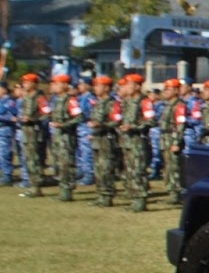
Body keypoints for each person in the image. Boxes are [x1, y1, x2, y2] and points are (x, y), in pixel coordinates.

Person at [47, 73, 82, 201]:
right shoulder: (57, 99)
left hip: (66, 137)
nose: (54, 86)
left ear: (65, 85)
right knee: (58, 163)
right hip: (57, 136)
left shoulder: (71, 100)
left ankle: (67, 191)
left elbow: (79, 117)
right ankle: (62, 189)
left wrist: (64, 125)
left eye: (57, 84)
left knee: (66, 164)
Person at [118, 74, 150, 211]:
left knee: (138, 171)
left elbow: (150, 121)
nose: (126, 87)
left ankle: (140, 200)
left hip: (138, 141)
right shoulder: (127, 102)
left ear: (137, 86)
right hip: (127, 141)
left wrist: (134, 127)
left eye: (128, 85)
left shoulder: (144, 102)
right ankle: (134, 197)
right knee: (130, 170)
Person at [88, 75, 120, 207]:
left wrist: (101, 125)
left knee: (106, 168)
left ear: (106, 88)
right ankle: (101, 194)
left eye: (98, 86)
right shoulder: (98, 102)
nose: (95, 88)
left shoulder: (112, 103)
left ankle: (107, 196)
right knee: (98, 169)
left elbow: (116, 121)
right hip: (97, 139)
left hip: (107, 139)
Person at [18, 74, 47, 196]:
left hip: (34, 132)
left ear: (33, 84)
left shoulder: (39, 97)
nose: (24, 85)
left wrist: (33, 119)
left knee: (34, 159)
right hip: (26, 132)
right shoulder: (27, 97)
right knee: (28, 159)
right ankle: (32, 185)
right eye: (23, 82)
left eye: (26, 82)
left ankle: (36, 186)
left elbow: (46, 113)